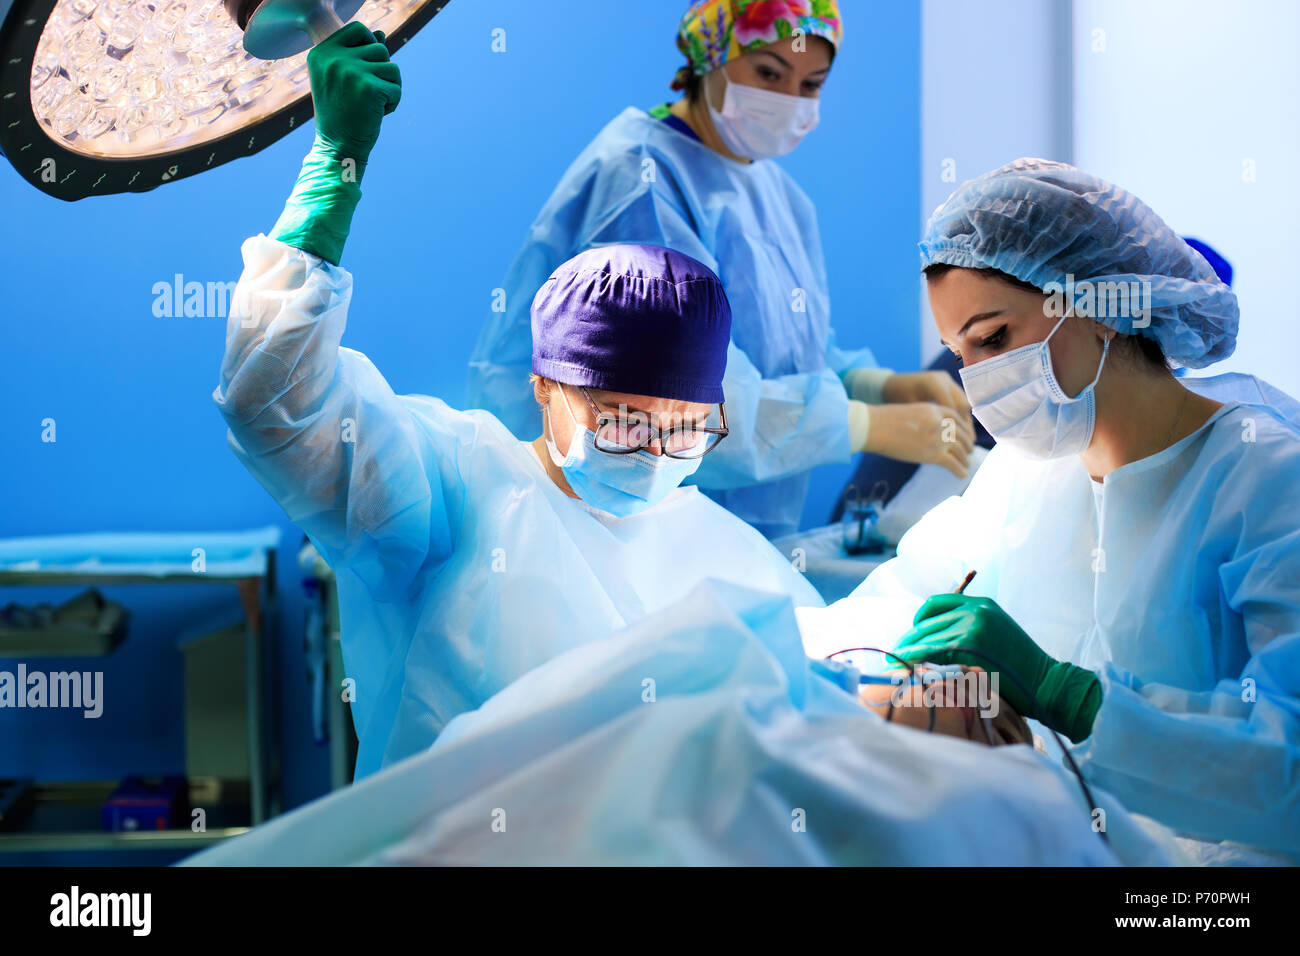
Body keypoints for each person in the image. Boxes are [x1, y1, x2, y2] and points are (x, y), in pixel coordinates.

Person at [213, 24, 823, 778]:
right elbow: (274, 405)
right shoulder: (453, 490)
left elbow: (815, 683)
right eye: (625, 421)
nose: (655, 455)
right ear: (543, 386)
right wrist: (333, 172)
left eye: (688, 430)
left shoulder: (717, 546)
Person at [800, 159, 1300, 863]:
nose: (976, 385)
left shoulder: (1268, 480)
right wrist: (804, 669)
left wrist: (1070, 699)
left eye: (994, 339)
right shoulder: (1026, 473)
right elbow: (896, 605)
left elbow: (1289, 774)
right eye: (960, 353)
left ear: (1099, 305)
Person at [468, 0, 974, 539]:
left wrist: (872, 384)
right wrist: (863, 424)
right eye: (768, 73)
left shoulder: (776, 193)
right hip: (607, 513)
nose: (788, 99)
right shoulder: (642, 181)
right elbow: (672, 390)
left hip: (724, 534)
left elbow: (785, 344)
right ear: (709, 56)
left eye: (811, 84)